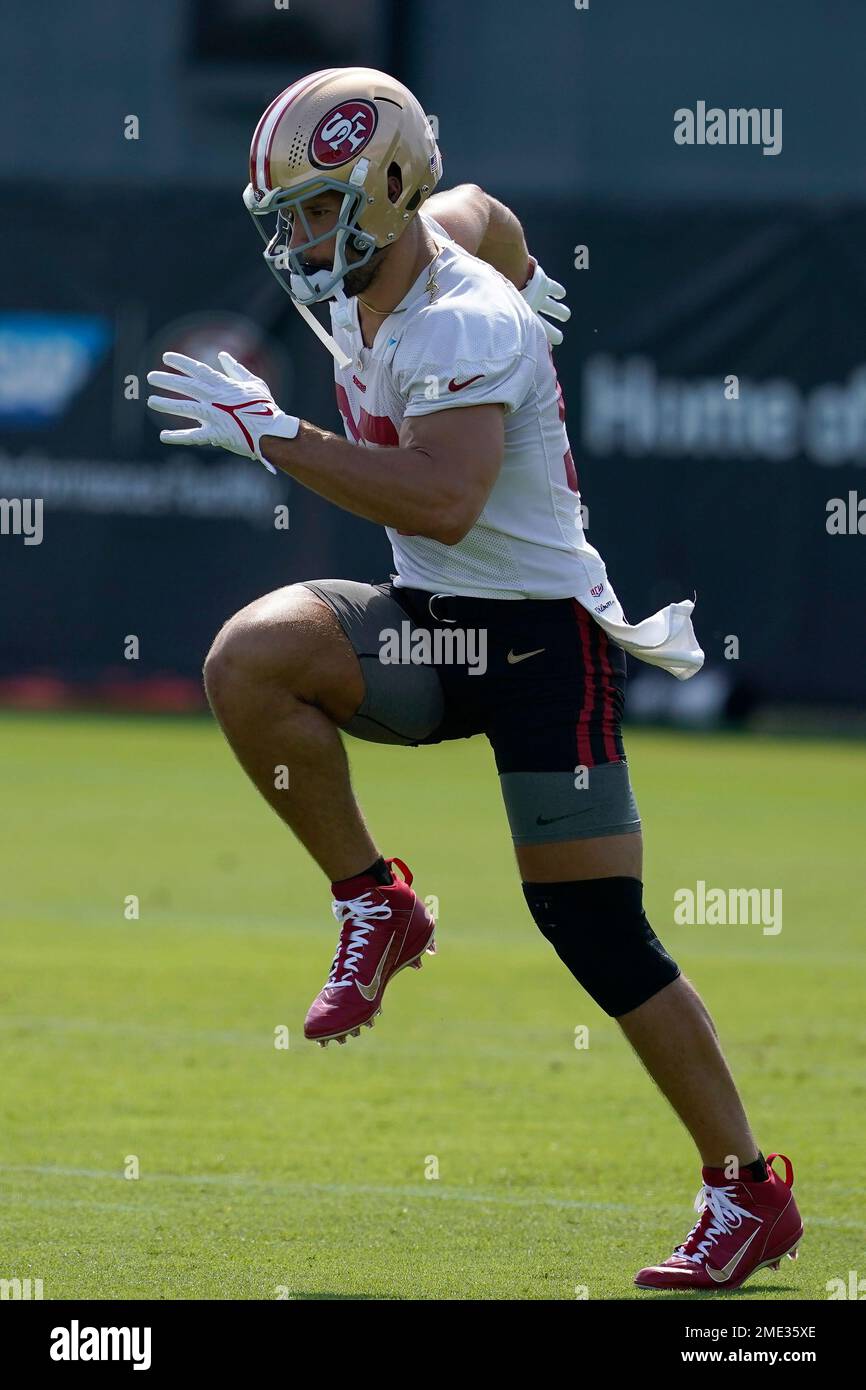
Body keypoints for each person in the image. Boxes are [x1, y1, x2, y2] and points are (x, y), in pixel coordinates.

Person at [147, 67, 802, 1291]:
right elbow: (486, 208)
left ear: (388, 193)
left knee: (598, 932)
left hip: (545, 641)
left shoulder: (459, 321)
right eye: (282, 212)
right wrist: (537, 273)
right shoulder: (413, 243)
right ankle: (372, 900)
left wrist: (271, 432)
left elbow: (446, 502)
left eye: (315, 207)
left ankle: (746, 1193)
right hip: (438, 630)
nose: (296, 237)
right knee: (249, 659)